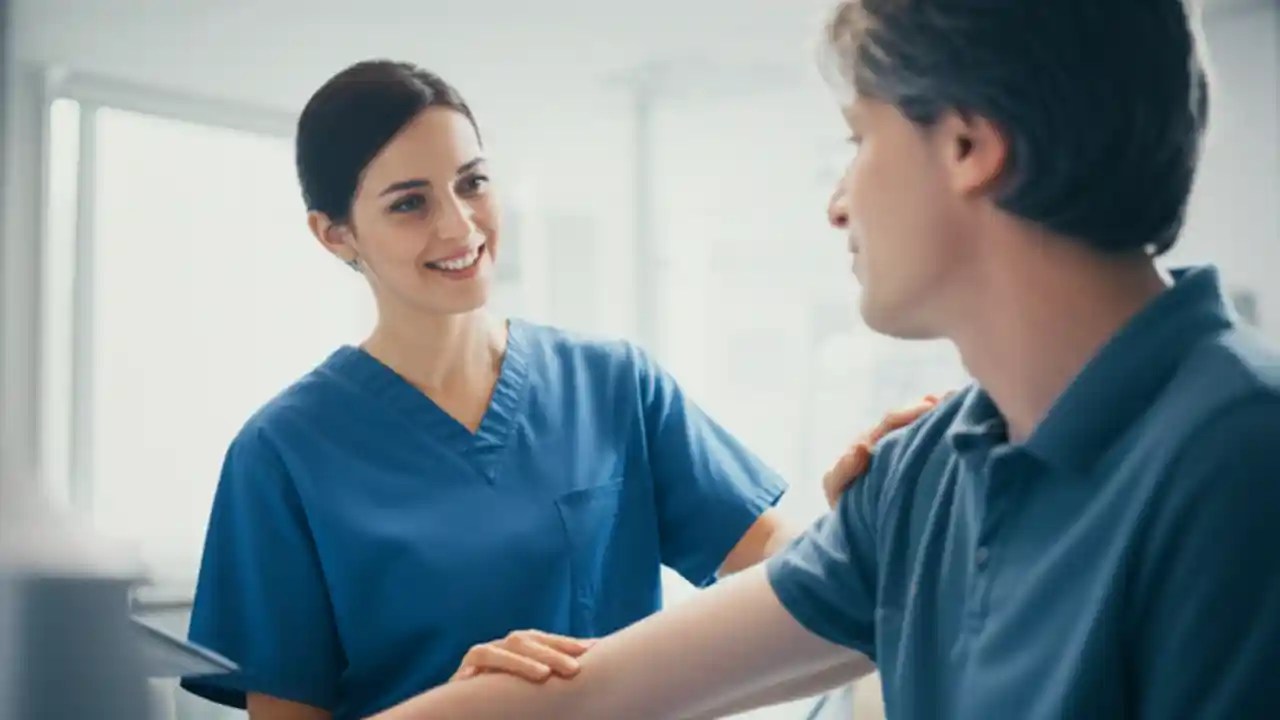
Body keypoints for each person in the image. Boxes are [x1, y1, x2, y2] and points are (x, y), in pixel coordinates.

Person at [365, 0, 1280, 718]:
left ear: (968, 145)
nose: (839, 204)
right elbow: (597, 693)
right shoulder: (925, 473)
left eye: (858, 140)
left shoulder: (1241, 464)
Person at [179, 59, 935, 720]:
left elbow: (793, 572)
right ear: (335, 234)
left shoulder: (613, 385)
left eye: (472, 183)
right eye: (410, 202)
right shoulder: (281, 453)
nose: (460, 224)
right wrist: (470, 708)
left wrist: (875, 511)